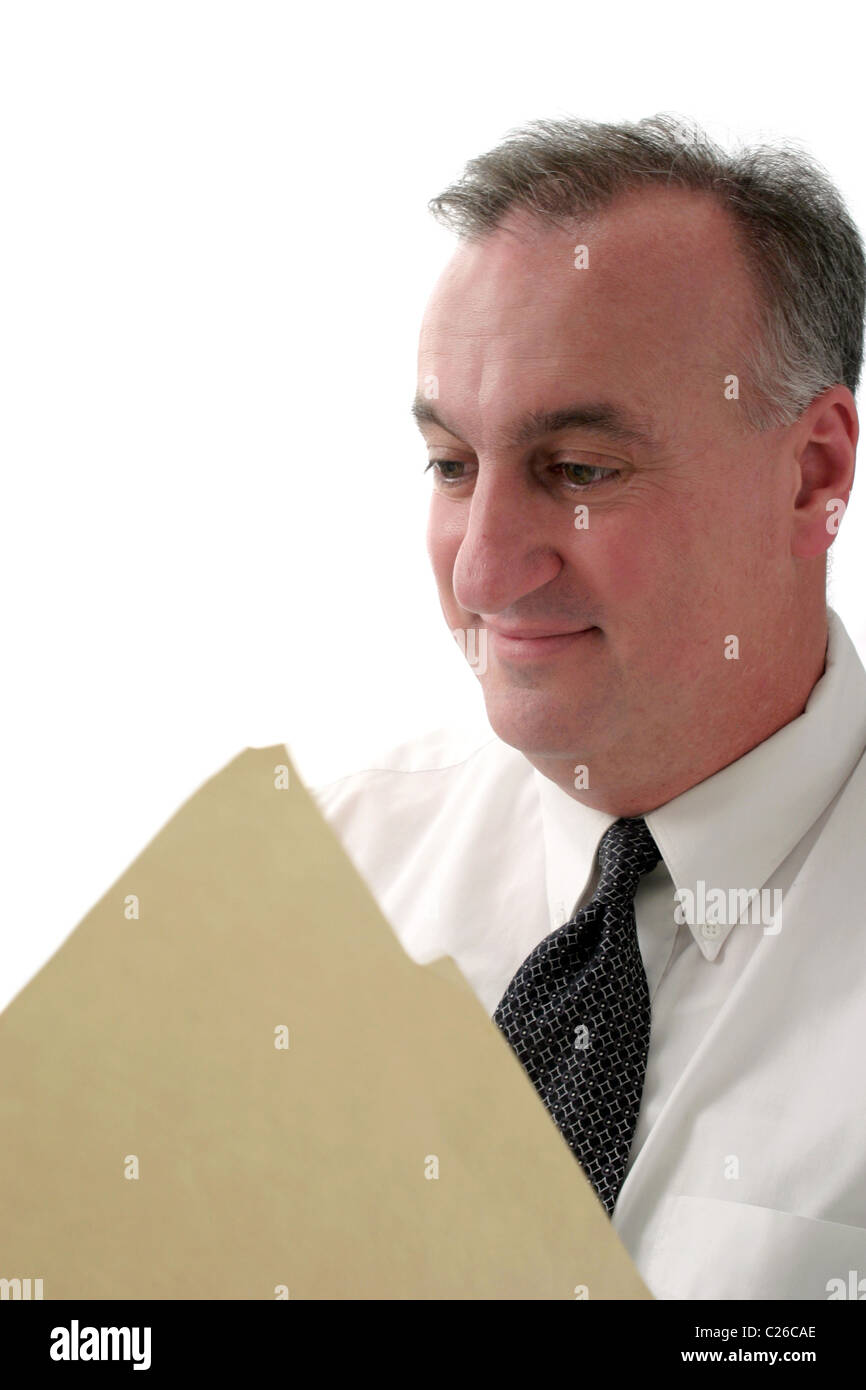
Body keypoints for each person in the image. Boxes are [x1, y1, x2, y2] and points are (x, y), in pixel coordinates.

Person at [311, 114, 866, 1301]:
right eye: (452, 466)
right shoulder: (321, 884)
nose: (479, 570)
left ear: (812, 471)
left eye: (578, 471)